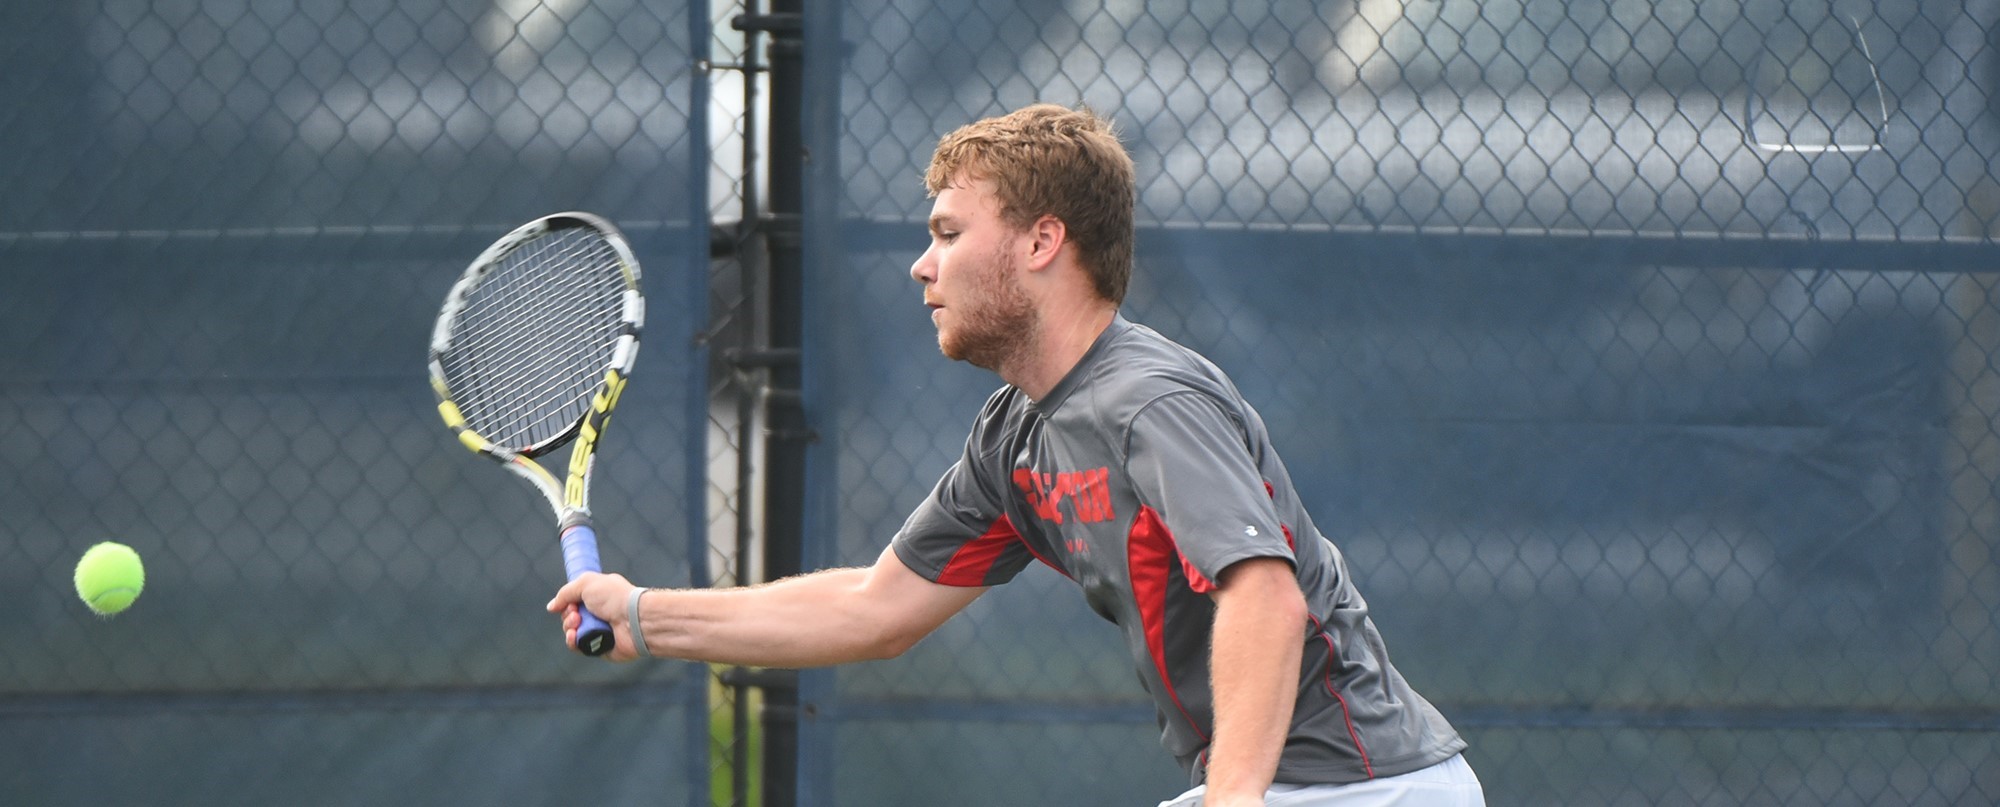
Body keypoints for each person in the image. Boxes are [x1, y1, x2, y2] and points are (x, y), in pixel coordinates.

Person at [547, 103, 1484, 806]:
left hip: (1365, 788)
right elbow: (875, 606)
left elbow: (1265, 598)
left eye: (949, 234)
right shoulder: (1014, 436)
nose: (922, 264)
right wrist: (646, 613)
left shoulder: (1149, 400)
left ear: (1042, 242)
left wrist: (1232, 800)